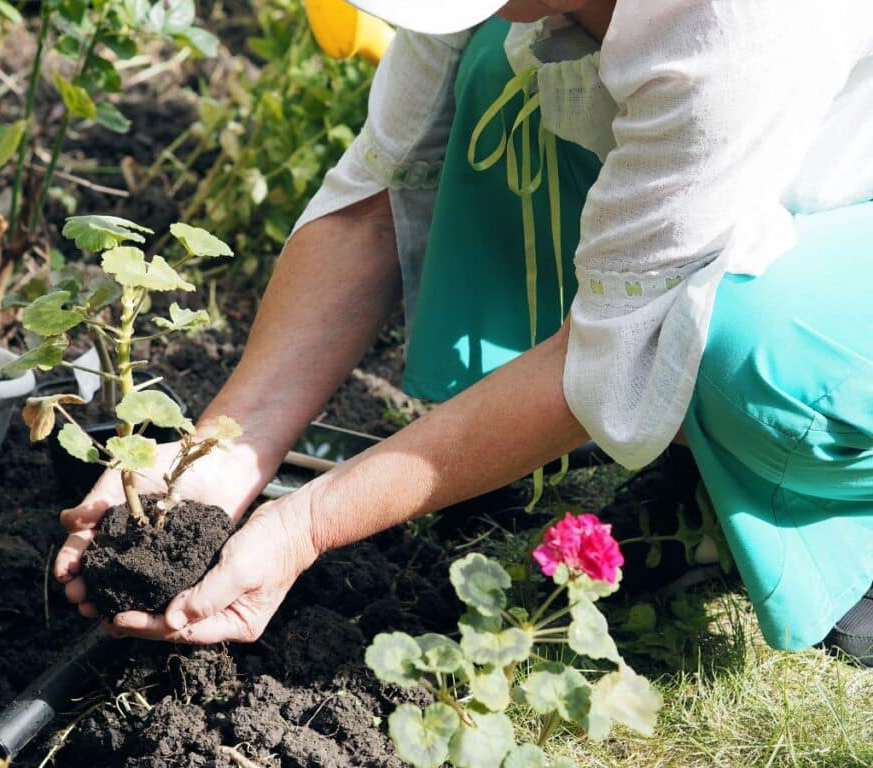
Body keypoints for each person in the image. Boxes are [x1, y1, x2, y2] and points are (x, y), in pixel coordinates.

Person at [54, 0, 873, 662]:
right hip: (745, 151)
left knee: (748, 359)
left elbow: (607, 355)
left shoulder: (743, 20)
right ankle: (693, 456)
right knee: (503, 71)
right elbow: (380, 189)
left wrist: (307, 523)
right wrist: (224, 455)